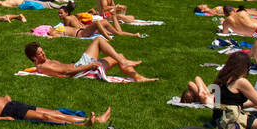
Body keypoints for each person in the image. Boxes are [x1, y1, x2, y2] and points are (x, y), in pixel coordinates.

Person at [0, 89, 112, 126]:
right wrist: (3, 118)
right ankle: (84, 124)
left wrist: (4, 98)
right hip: (8, 111)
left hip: (12, 104)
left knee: (54, 112)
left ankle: (95, 119)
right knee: (46, 117)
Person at [23, 39, 157, 82]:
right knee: (98, 40)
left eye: (42, 51)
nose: (44, 54)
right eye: (40, 54)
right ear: (34, 58)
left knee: (119, 56)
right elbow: (68, 71)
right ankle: (124, 64)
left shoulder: (45, 62)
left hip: (80, 67)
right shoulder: (43, 67)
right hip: (81, 70)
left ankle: (138, 77)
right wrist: (89, 66)